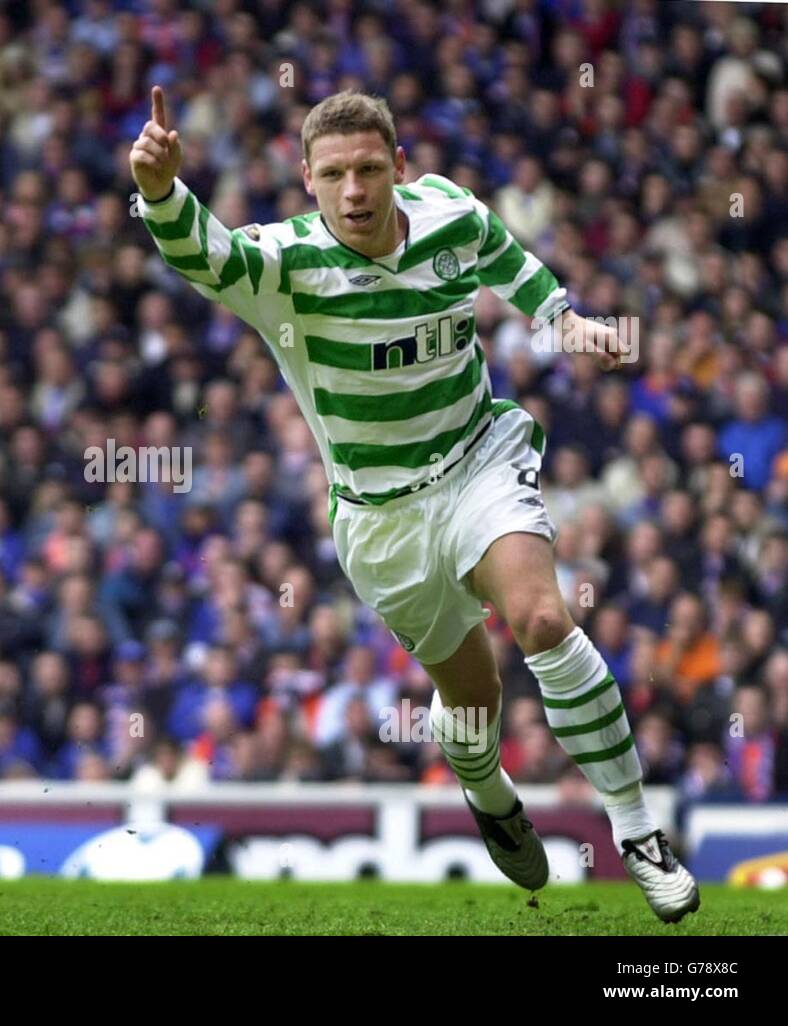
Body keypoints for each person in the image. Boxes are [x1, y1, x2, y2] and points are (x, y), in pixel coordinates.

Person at [130, 87, 698, 922]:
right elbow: (206, 255)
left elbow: (502, 254)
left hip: (477, 461)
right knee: (473, 699)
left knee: (543, 620)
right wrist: (161, 190)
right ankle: (487, 789)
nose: (354, 190)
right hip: (381, 517)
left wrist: (563, 318)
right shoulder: (285, 266)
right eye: (333, 175)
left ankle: (639, 832)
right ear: (307, 180)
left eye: (368, 169)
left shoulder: (447, 214)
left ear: (399, 167)